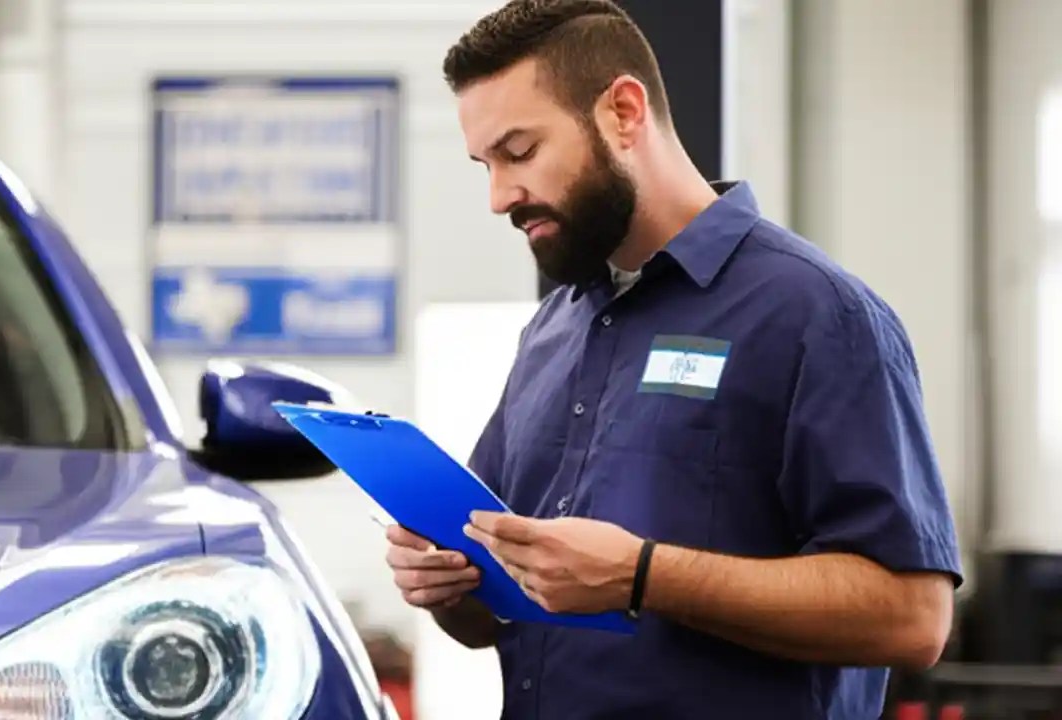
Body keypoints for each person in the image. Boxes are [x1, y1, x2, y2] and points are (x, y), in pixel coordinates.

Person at [382, 0, 964, 717]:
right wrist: (449, 586)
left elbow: (912, 616)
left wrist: (643, 576)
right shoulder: (555, 328)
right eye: (486, 164)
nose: (502, 195)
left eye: (520, 152)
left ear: (624, 113)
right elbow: (499, 608)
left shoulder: (817, 315)